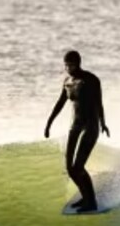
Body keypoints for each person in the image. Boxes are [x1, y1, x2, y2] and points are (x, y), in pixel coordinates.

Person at [43, 50, 109, 211]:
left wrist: (103, 123)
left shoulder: (91, 80)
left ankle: (91, 202)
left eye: (71, 64)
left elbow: (99, 103)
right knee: (70, 169)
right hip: (75, 126)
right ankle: (85, 197)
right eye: (66, 65)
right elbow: (60, 103)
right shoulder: (67, 82)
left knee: (78, 167)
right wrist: (48, 124)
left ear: (78, 63)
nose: (68, 67)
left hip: (91, 126)